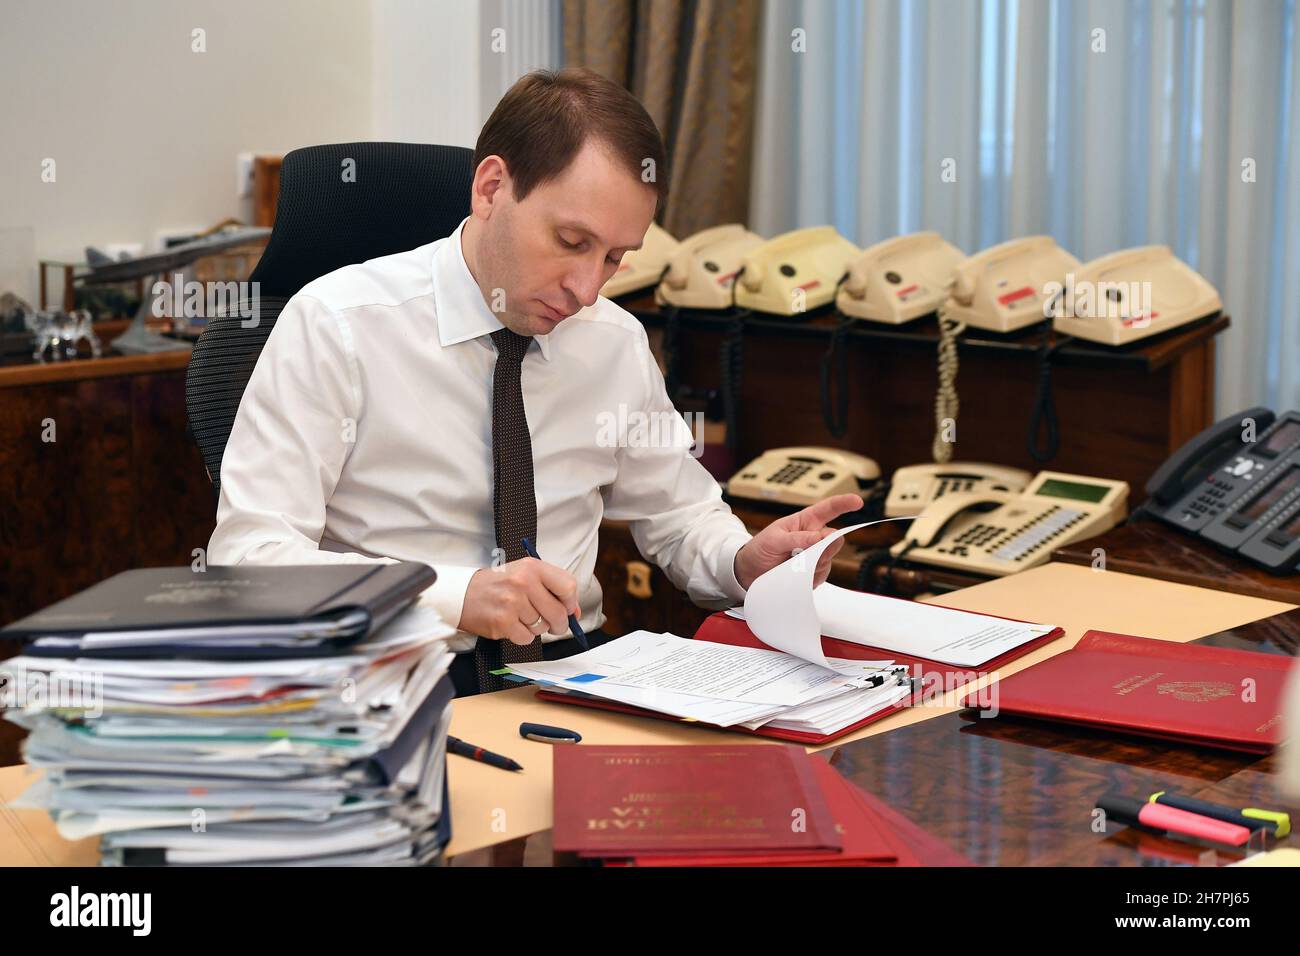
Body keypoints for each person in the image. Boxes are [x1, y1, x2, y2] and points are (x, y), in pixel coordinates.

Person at [208, 67, 861, 696]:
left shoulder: (614, 340)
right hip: (394, 671)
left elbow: (678, 514)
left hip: (572, 669)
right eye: (571, 240)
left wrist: (741, 562)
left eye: (614, 257)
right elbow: (251, 557)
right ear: (492, 189)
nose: (586, 288)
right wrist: (455, 596)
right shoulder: (340, 324)